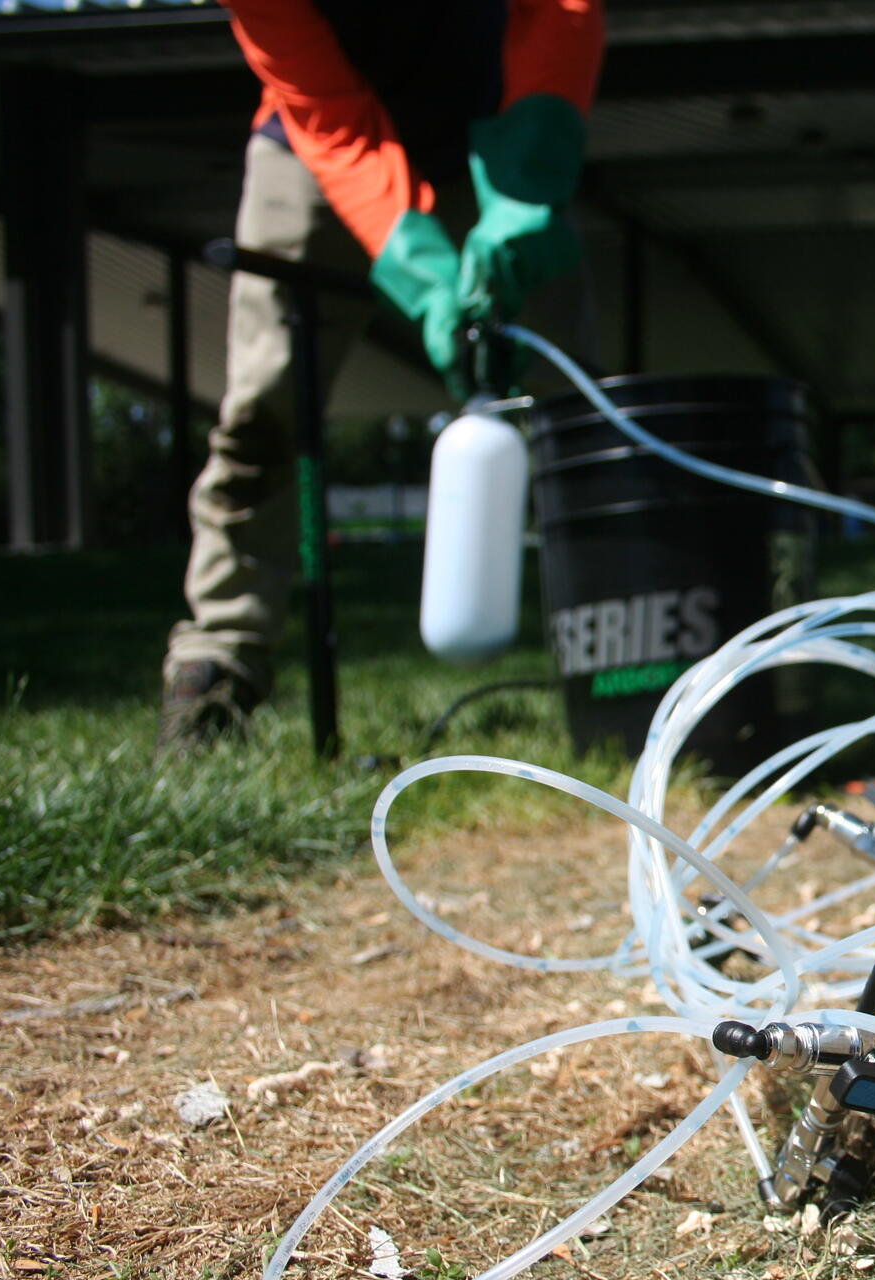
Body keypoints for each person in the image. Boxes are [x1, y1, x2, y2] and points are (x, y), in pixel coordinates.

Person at [159, 0, 603, 749]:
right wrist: (414, 259)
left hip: (502, 118)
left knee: (580, 410)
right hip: (315, 137)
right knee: (264, 410)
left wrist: (526, 185)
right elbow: (334, 121)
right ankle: (220, 661)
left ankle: (628, 643)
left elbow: (562, 11)